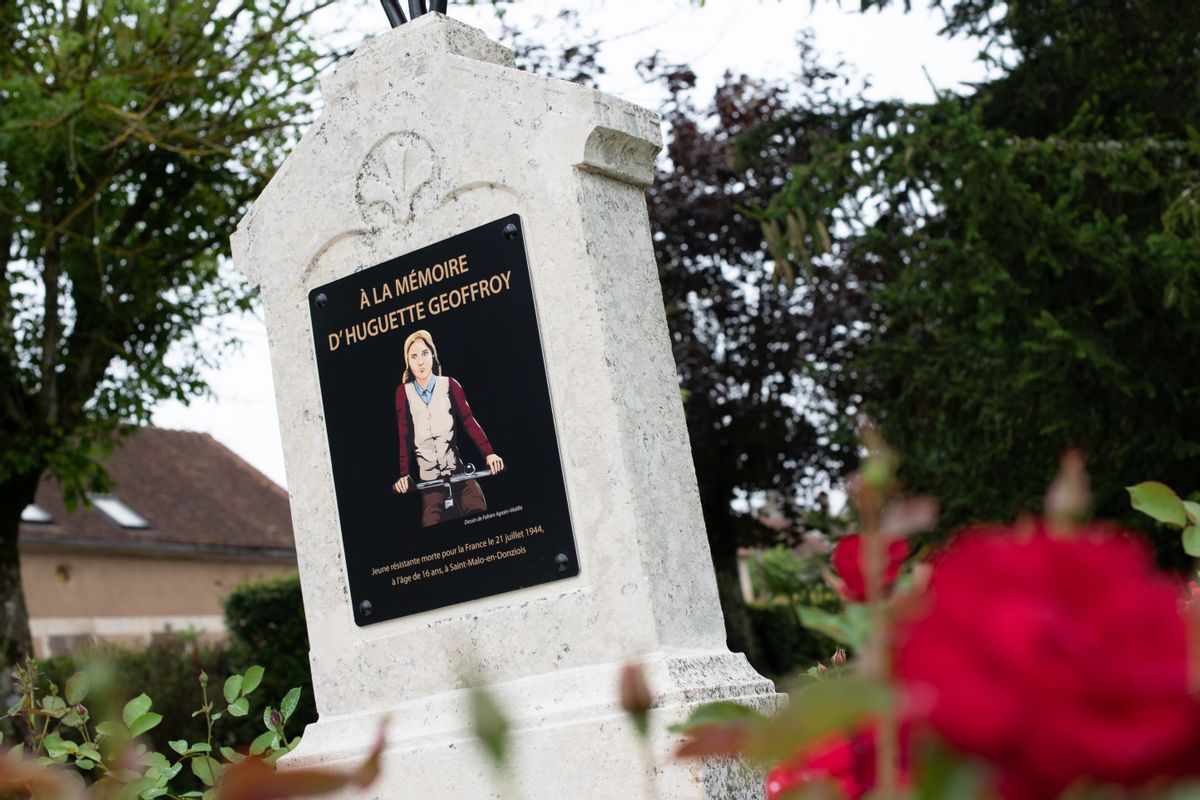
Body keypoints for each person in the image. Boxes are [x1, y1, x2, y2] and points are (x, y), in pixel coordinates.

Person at [392, 329, 504, 527]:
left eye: (424, 354)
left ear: (433, 354)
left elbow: (469, 421)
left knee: (478, 507)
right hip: (430, 483)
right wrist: (403, 475)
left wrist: (489, 454)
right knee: (431, 522)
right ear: (407, 362)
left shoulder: (450, 385)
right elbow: (404, 435)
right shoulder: (403, 393)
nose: (420, 362)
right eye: (414, 356)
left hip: (458, 473)